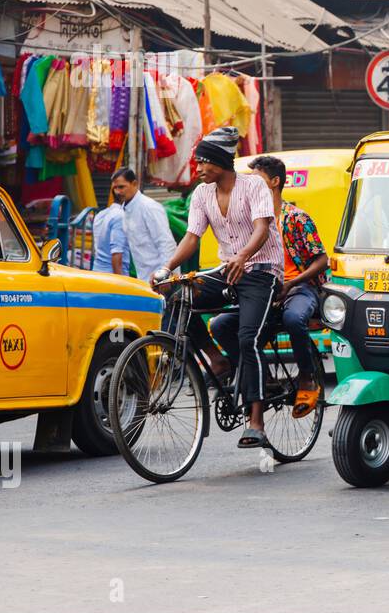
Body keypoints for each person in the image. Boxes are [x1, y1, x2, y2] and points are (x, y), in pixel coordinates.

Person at [155, 127, 285, 449]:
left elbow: (263, 228)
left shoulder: (254, 185)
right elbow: (192, 237)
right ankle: (216, 358)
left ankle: (257, 423)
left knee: (247, 336)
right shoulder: (201, 195)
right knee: (176, 295)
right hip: (227, 270)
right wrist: (166, 268)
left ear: (220, 162)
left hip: (262, 271)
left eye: (202, 163)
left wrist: (243, 256)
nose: (197, 169)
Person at [210, 155, 327, 418]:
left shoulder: (295, 217)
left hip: (298, 288)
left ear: (275, 182)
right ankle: (262, 378)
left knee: (294, 318)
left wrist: (292, 282)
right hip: (261, 290)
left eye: (257, 180)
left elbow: (321, 259)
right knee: (219, 325)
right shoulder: (250, 219)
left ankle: (307, 378)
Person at [111, 167, 178, 279]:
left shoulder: (149, 207)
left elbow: (166, 243)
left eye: (121, 187)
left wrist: (165, 275)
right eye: (115, 188)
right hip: (144, 278)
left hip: (160, 278)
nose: (118, 192)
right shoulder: (125, 210)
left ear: (134, 184)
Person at [91, 200, 132, 276]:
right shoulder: (120, 216)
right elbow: (117, 252)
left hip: (97, 271)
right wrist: (120, 282)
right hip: (113, 276)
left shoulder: (100, 215)